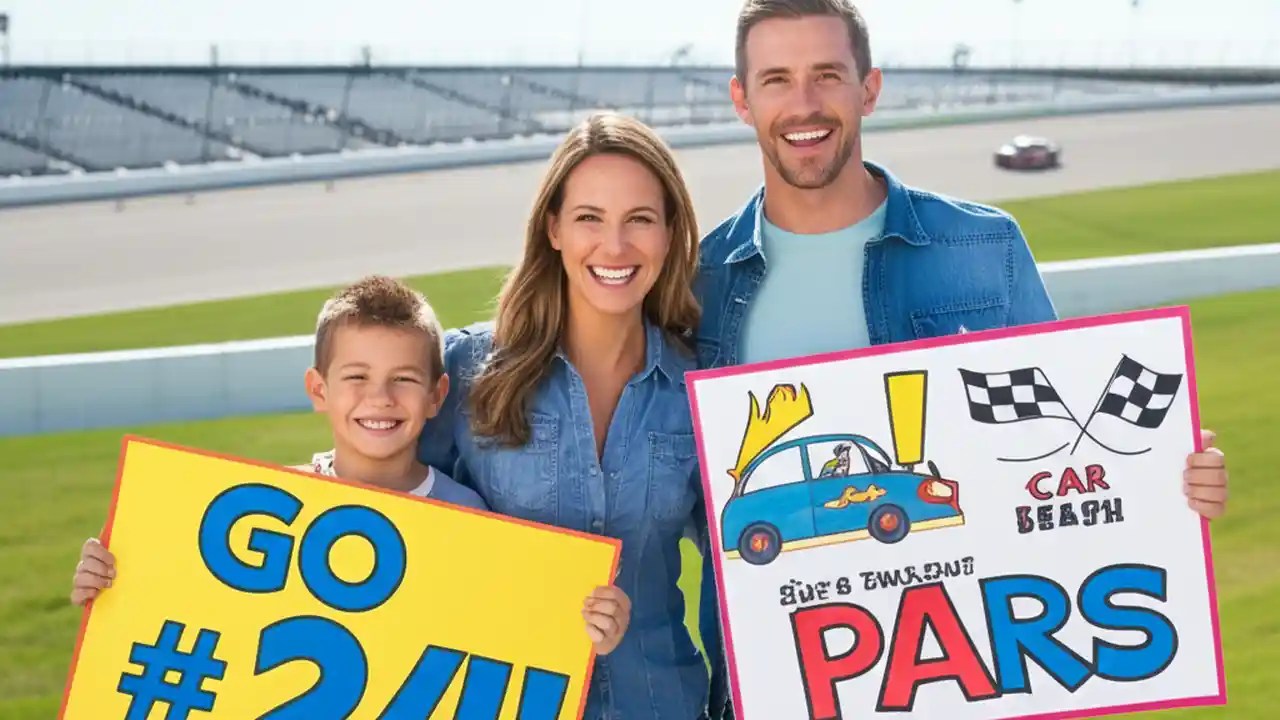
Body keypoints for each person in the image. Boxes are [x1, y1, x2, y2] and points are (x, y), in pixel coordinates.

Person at [694, 2, 1232, 717]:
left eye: (827, 75)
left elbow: (1053, 447)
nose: (804, 104)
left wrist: (1163, 475)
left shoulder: (983, 249)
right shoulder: (697, 283)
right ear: (742, 99)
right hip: (771, 687)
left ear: (869, 88)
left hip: (957, 675)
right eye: (777, 80)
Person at [70, 274, 632, 657]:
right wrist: (119, 584)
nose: (380, 399)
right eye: (356, 378)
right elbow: (199, 630)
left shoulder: (472, 520)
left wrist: (586, 632)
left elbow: (514, 646)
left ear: (438, 395)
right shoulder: (270, 507)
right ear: (319, 389)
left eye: (403, 380)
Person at [414, 111, 711, 720]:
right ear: (553, 228)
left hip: (661, 705)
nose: (615, 246)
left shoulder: (699, 389)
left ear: (670, 231)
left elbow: (745, 564)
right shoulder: (469, 370)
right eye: (588, 219)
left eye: (640, 220)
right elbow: (404, 534)